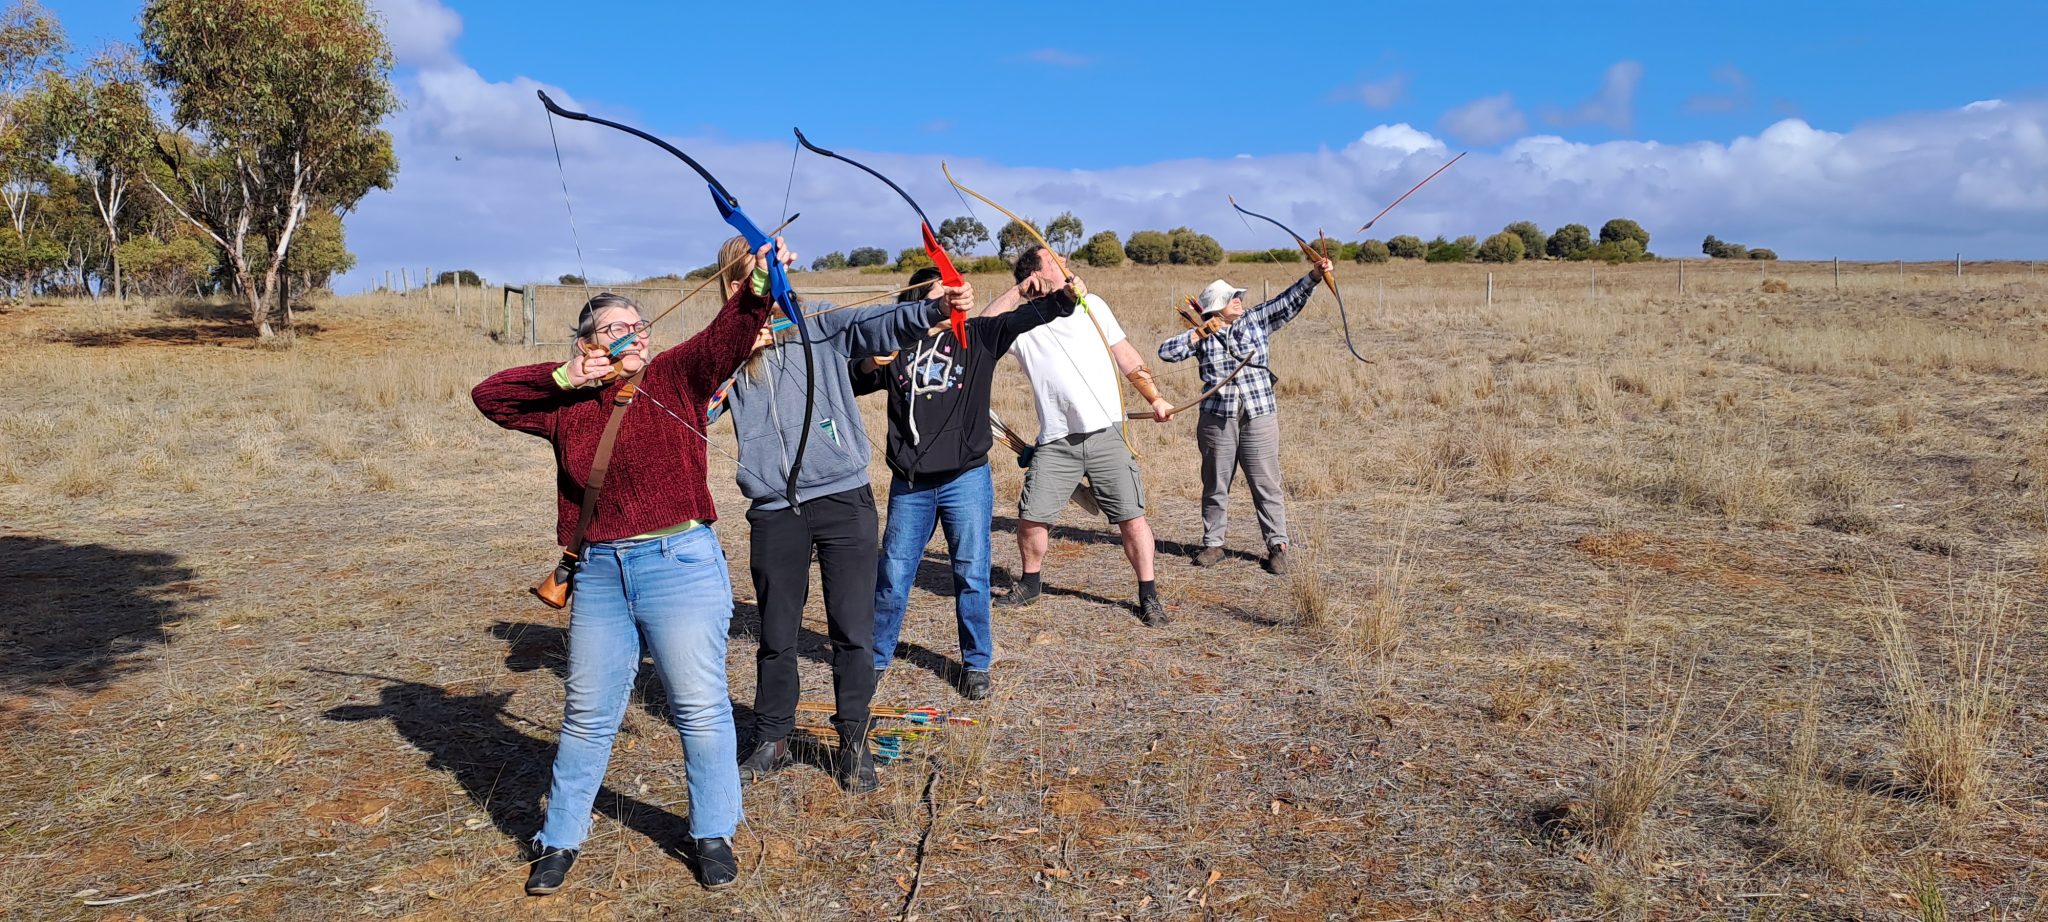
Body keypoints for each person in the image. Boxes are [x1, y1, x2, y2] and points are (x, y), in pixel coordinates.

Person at [470, 238, 794, 896]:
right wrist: (567, 377)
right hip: (597, 575)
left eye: (636, 325)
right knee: (588, 714)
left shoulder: (678, 374)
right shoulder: (565, 405)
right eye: (612, 328)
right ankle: (558, 839)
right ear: (588, 343)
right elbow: (491, 397)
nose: (630, 334)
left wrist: (761, 283)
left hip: (678, 561)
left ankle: (712, 833)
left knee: (699, 708)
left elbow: (730, 336)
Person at [713, 236, 975, 792]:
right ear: (730, 285)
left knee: (852, 628)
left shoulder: (822, 324)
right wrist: (731, 346)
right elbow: (697, 401)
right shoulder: (725, 348)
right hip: (773, 508)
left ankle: (853, 740)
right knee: (777, 630)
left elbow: (878, 326)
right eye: (742, 279)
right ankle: (773, 736)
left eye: (760, 275)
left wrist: (937, 307)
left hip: (842, 498)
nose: (751, 288)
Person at [853, 265, 1080, 700]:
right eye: (942, 294)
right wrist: (868, 361)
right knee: (894, 574)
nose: (953, 299)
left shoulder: (976, 336)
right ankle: (877, 659)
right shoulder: (895, 346)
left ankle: (976, 663)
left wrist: (1063, 297)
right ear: (918, 304)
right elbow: (853, 377)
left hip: (966, 479)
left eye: (954, 292)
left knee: (972, 573)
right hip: (910, 484)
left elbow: (1028, 317)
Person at [993, 246, 1175, 626]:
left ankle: (1149, 594)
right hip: (1056, 441)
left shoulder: (1092, 305)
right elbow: (979, 326)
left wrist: (1155, 397)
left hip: (1107, 432)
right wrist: (1020, 291)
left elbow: (1126, 355)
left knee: (1132, 517)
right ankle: (1030, 584)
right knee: (1031, 518)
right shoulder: (1020, 324)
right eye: (1057, 262)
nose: (1068, 266)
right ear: (1037, 275)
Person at [1156, 257, 1332, 575]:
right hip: (1216, 418)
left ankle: (1277, 547)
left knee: (1266, 483)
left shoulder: (1255, 320)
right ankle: (1213, 544)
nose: (1239, 300)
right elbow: (1165, 352)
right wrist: (1199, 334)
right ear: (1214, 308)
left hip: (1259, 414)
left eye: (1238, 296)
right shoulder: (1203, 333)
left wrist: (1315, 275)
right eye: (1231, 298)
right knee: (1215, 482)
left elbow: (1286, 302)